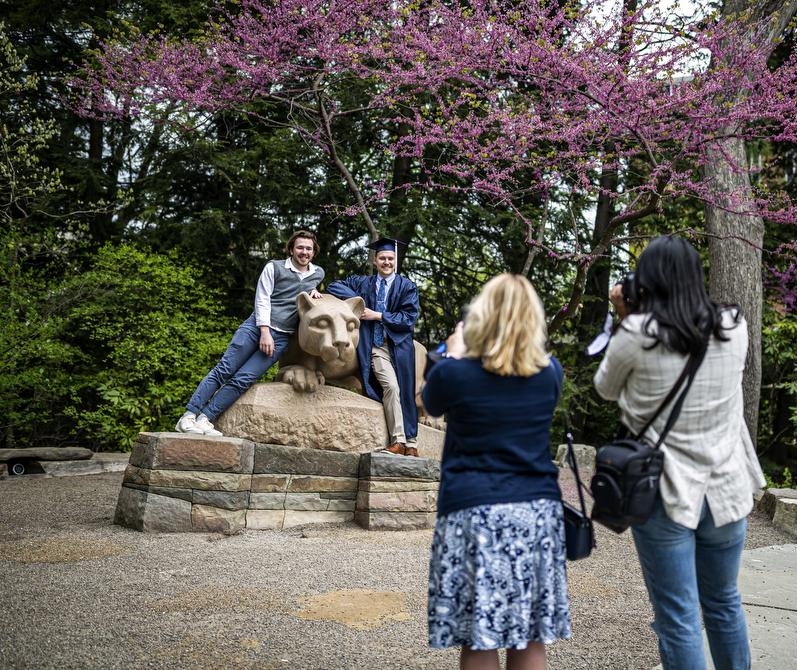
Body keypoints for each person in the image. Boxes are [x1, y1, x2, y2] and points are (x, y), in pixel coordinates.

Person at [593, 235, 765, 670]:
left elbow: (605, 388)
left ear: (646, 281)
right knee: (724, 602)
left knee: (679, 617)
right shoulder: (733, 325)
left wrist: (624, 315)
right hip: (726, 487)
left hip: (665, 491)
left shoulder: (638, 332)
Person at [421, 274, 570, 670]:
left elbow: (430, 403)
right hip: (536, 513)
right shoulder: (551, 372)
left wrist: (453, 353)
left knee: (479, 637)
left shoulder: (456, 373)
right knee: (530, 637)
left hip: (474, 511)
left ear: (481, 317)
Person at [176, 230, 325, 436]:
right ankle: (188, 416)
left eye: (308, 249)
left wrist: (314, 291)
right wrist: (264, 331)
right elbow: (262, 299)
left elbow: (307, 296)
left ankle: (205, 419)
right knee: (224, 370)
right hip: (256, 329)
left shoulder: (318, 273)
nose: (304, 252)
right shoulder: (274, 267)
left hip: (282, 338)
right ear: (291, 249)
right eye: (300, 247)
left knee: (243, 380)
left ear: (314, 252)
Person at [327, 237, 420, 456]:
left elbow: (408, 319)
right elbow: (333, 286)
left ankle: (412, 445)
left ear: (395, 261)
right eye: (382, 258)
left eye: (390, 259)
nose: (387, 262)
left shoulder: (407, 287)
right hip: (376, 346)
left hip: (400, 346)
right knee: (392, 387)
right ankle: (398, 441)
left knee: (406, 391)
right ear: (375, 260)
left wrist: (377, 315)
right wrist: (359, 301)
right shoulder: (363, 284)